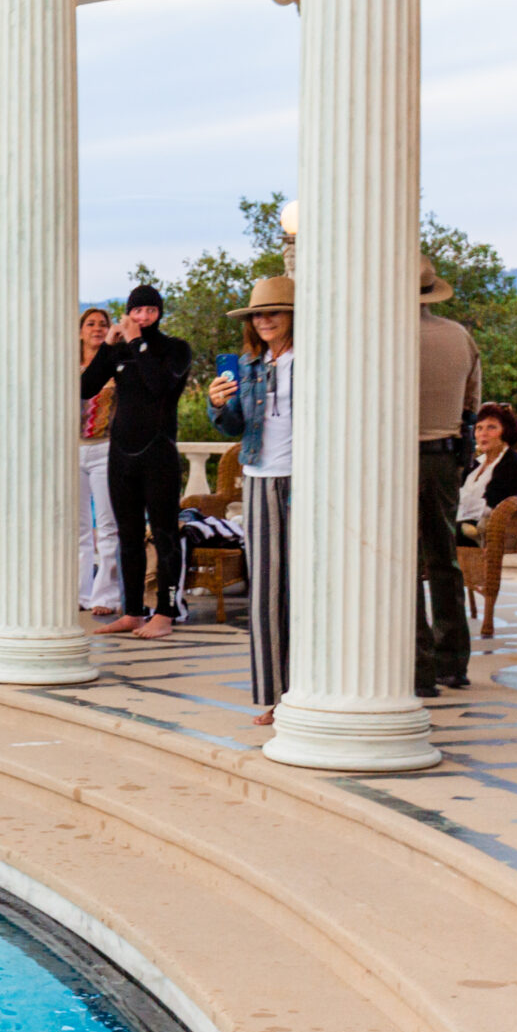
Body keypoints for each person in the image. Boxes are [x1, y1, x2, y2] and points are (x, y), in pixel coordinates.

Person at [82, 283, 194, 639]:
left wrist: (135, 344)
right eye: (137, 311)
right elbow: (86, 387)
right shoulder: (120, 351)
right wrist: (108, 347)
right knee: (127, 535)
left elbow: (159, 386)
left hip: (158, 454)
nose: (142, 317)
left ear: (159, 314)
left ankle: (165, 611)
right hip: (122, 456)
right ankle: (132, 611)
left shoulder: (174, 349)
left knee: (163, 534)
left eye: (150, 311)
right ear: (128, 313)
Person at [207, 276, 295, 725]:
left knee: (303, 589)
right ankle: (275, 696)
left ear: (292, 316)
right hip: (260, 477)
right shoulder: (249, 365)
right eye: (258, 314)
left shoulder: (312, 361)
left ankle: (306, 692)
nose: (263, 320)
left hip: (304, 481)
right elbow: (233, 426)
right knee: (265, 591)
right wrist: (217, 404)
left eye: (273, 312)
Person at [419, 259, 481, 695]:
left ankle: (418, 667)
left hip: (394, 457)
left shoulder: (382, 337)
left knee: (398, 564)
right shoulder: (459, 336)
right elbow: (471, 406)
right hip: (444, 459)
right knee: (444, 560)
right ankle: (453, 661)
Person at [77, 307, 121, 616]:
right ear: (80, 331)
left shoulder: (116, 366)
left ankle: (106, 595)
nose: (96, 328)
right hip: (72, 450)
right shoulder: (68, 367)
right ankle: (80, 592)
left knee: (107, 524)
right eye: (90, 323)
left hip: (106, 448)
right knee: (77, 527)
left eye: (102, 324)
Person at [458, 401, 517, 547]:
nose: (483, 433)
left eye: (491, 427)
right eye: (479, 428)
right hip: (465, 525)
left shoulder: (511, 464)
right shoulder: (475, 465)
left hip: (495, 531)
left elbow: (495, 507)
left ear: (506, 431)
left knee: (437, 532)